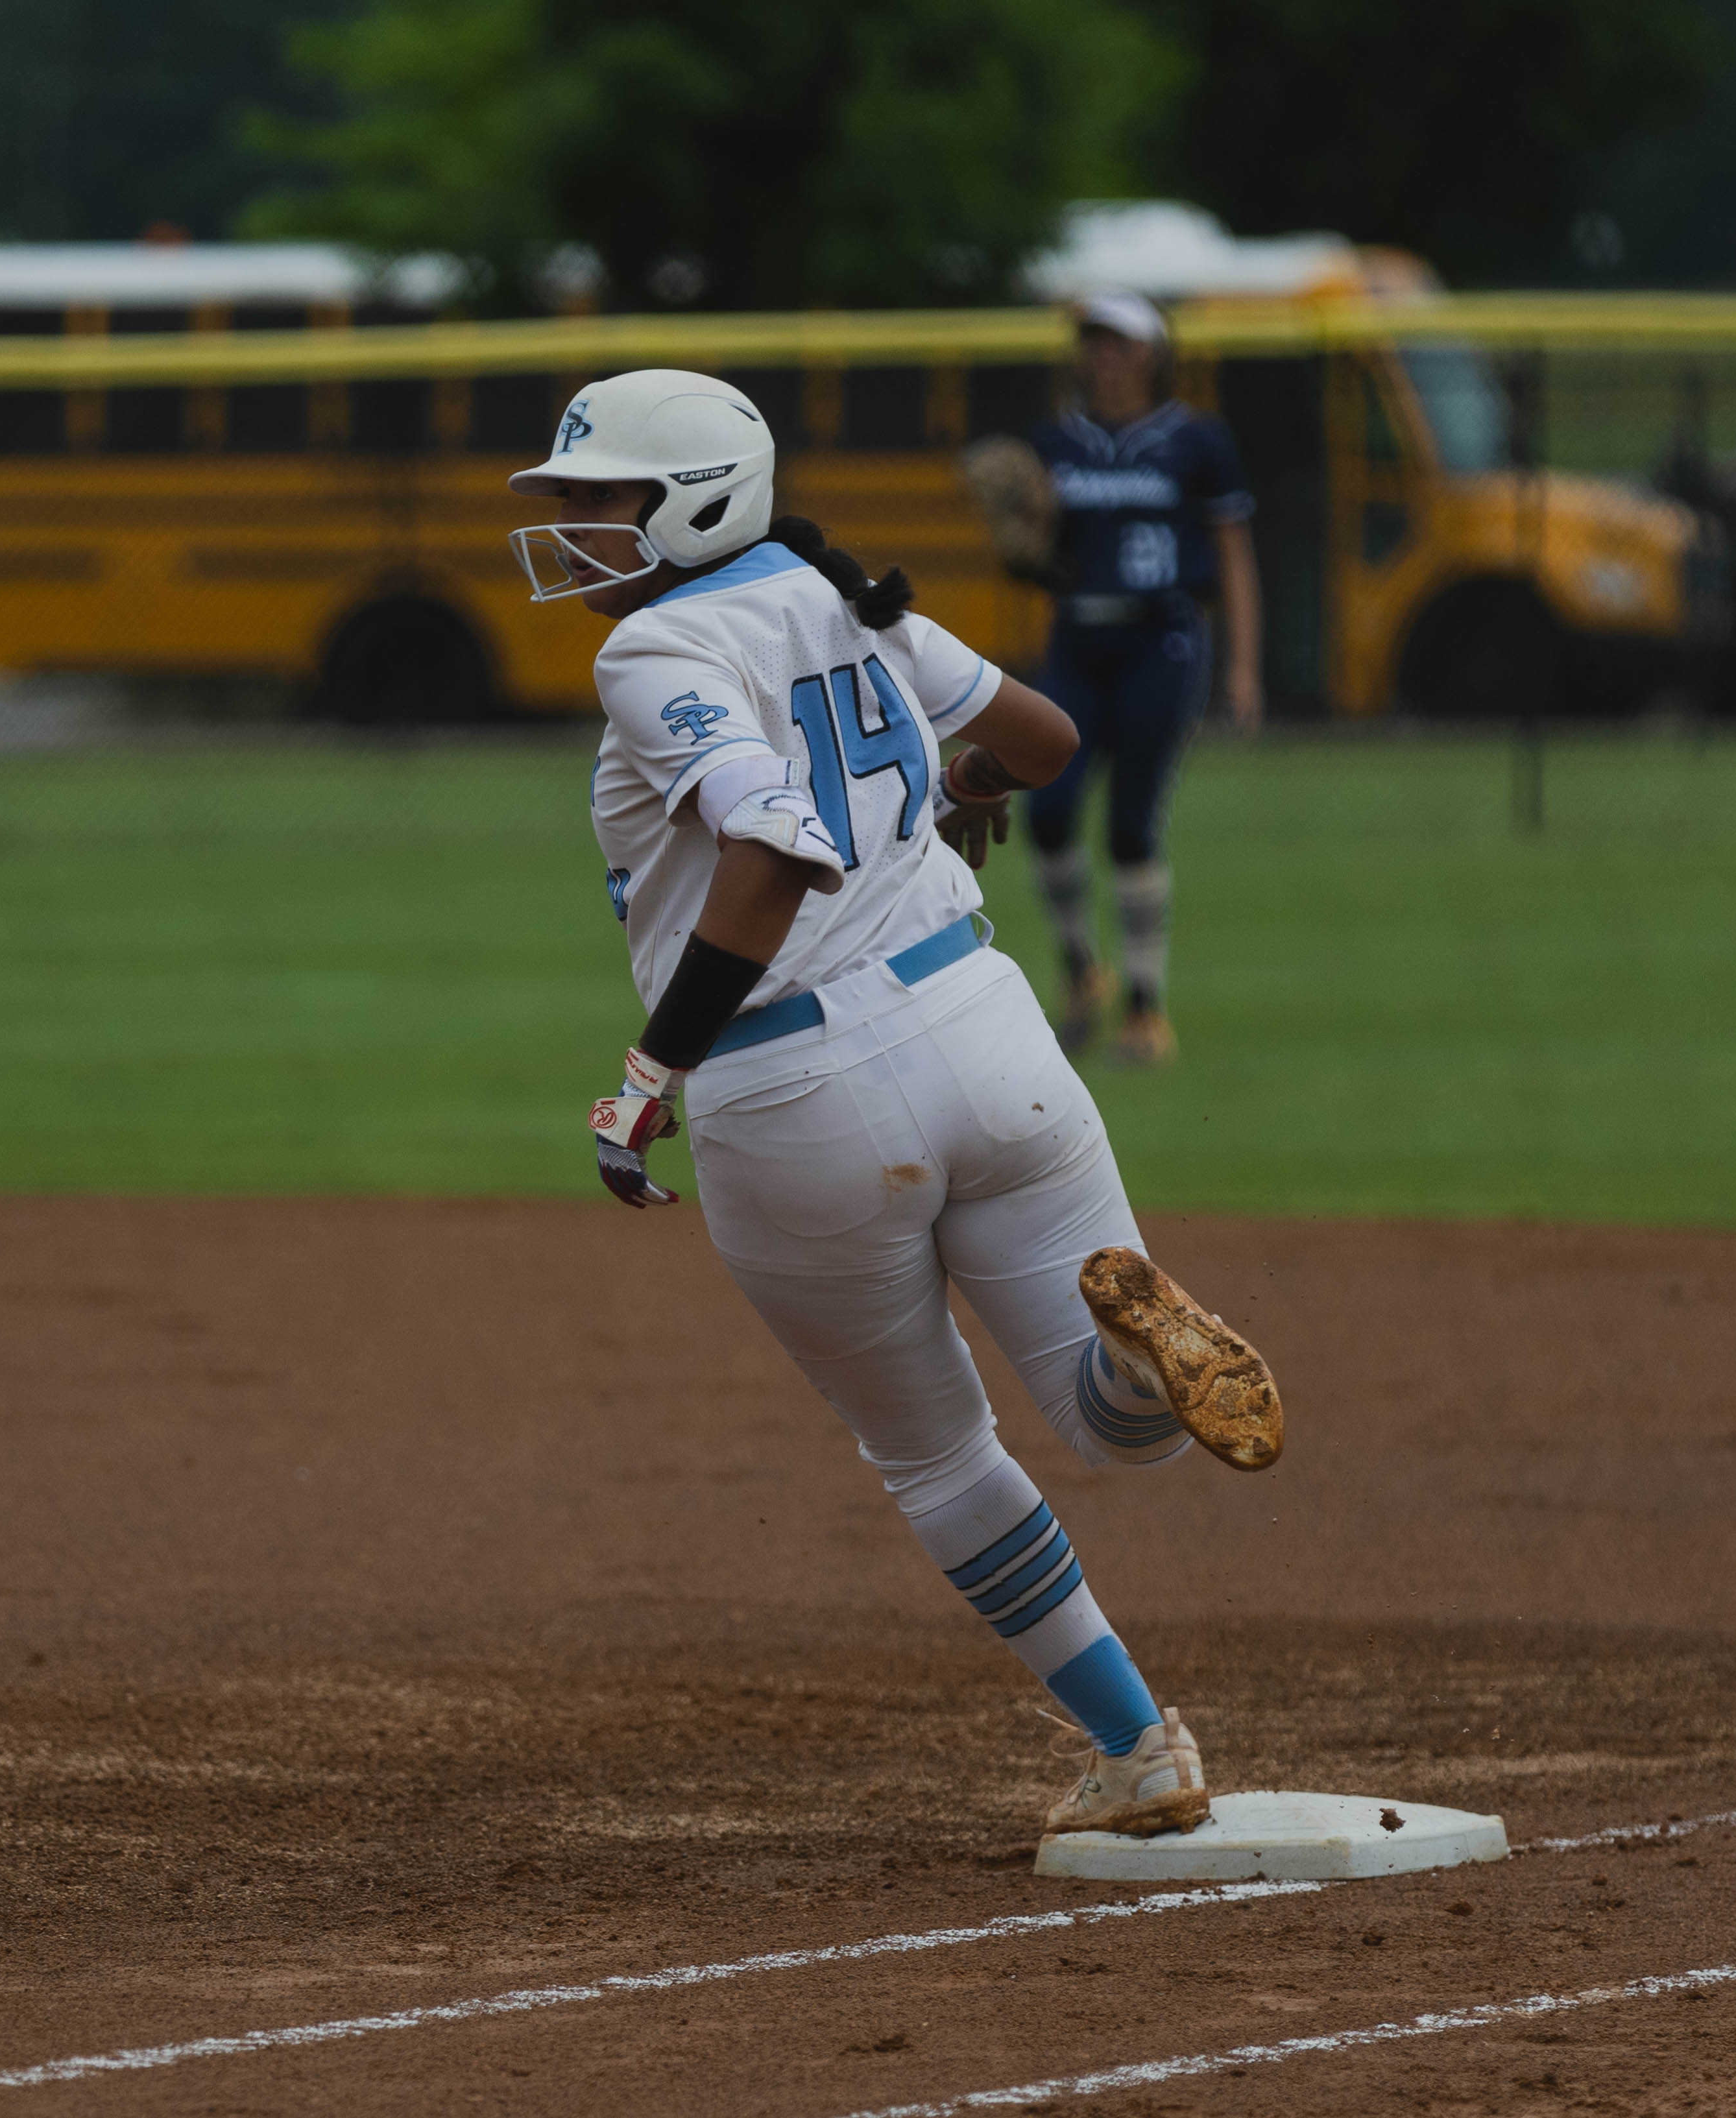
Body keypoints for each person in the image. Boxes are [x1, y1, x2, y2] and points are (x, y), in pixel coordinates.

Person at [509, 369, 1284, 1840]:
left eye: (598, 498)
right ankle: (1141, 1354)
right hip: (984, 1028)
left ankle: (1137, 1749)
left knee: (933, 1452)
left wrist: (646, 1069)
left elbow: (777, 841)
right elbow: (1046, 742)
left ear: (691, 501)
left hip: (789, 1090)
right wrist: (940, 792)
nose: (573, 528)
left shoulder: (656, 646)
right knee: (1117, 1428)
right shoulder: (837, 596)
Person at [1023, 289, 1262, 1066]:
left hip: (1160, 639)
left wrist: (1243, 666)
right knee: (1047, 813)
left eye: (1119, 343)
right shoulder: (1056, 441)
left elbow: (1230, 553)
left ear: (1153, 353)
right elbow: (1039, 563)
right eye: (1093, 342)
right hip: (1075, 638)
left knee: (1130, 827)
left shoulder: (1194, 440)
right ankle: (1078, 969)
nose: (1104, 356)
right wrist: (1014, 537)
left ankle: (1144, 1005)